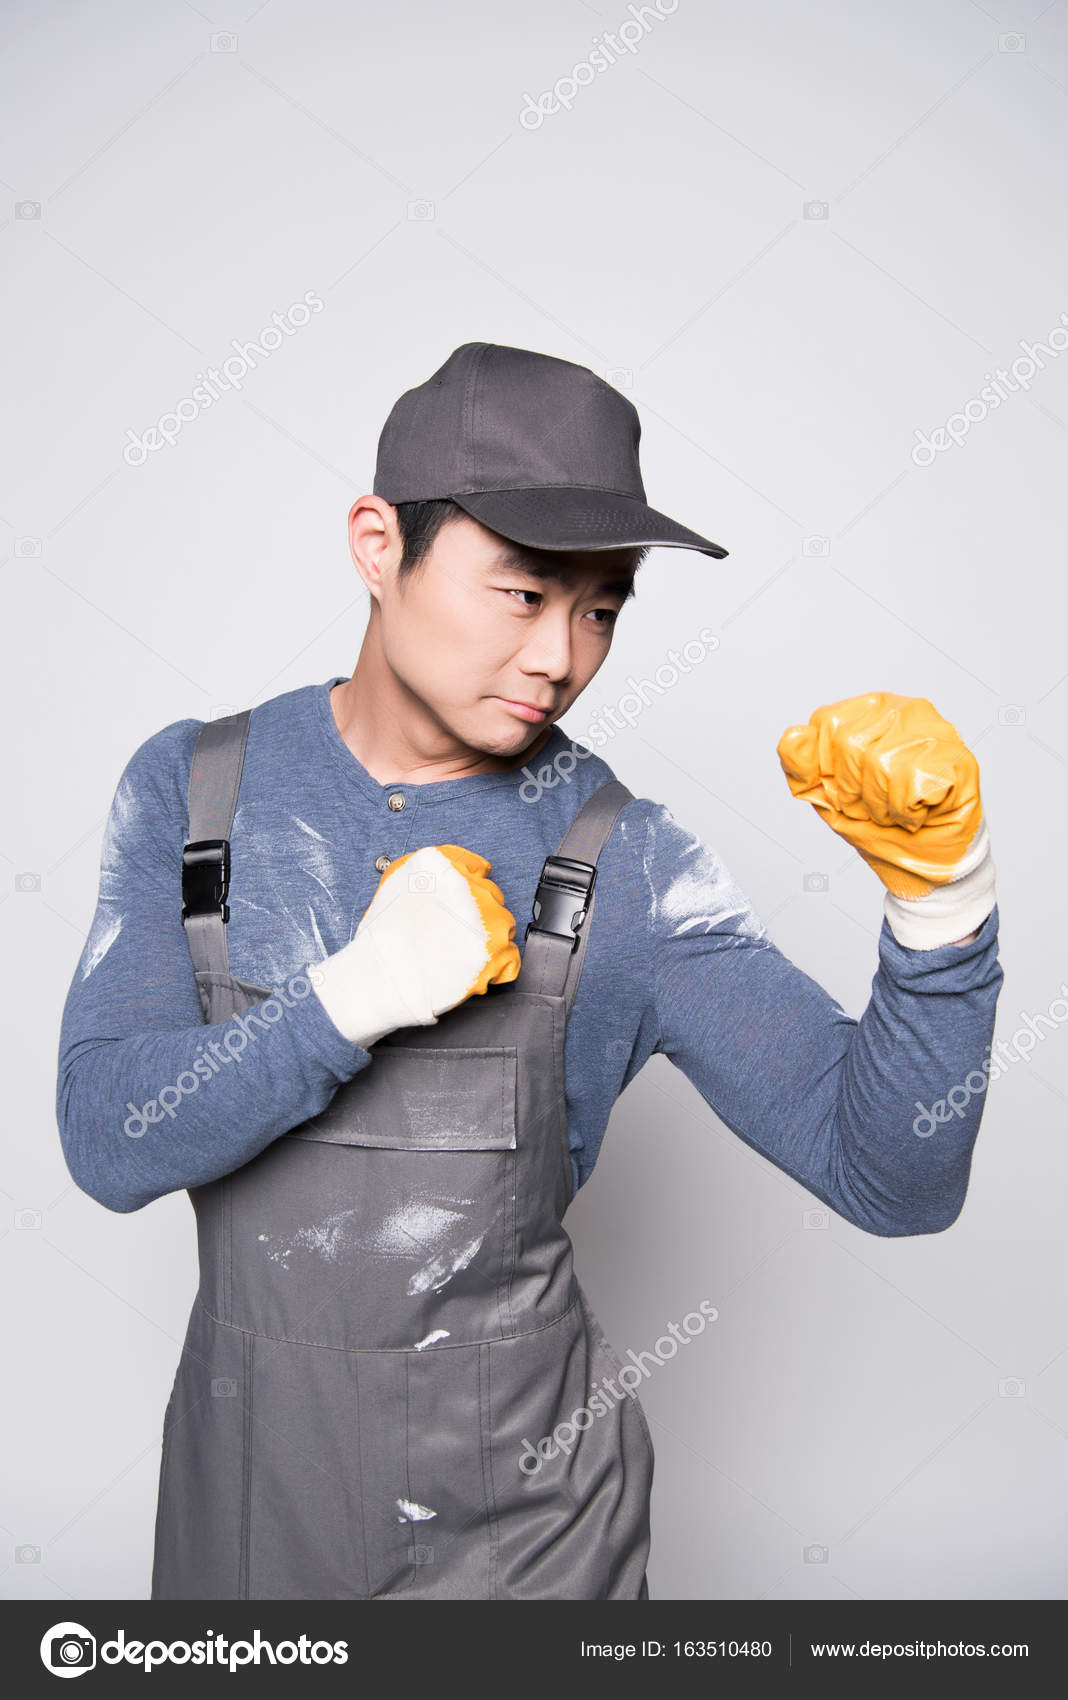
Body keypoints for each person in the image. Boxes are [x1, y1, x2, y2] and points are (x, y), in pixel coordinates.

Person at [55, 341, 1004, 1601]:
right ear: (378, 543)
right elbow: (107, 1138)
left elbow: (895, 1178)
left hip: (529, 1562)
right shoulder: (194, 792)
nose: (563, 656)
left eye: (603, 605)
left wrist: (946, 909)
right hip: (244, 1537)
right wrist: (351, 996)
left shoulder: (632, 863)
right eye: (522, 592)